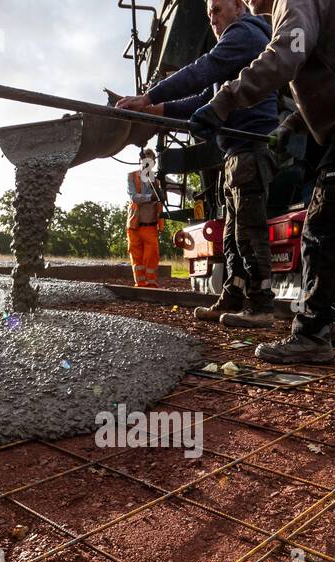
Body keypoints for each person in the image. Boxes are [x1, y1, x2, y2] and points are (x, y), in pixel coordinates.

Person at [191, 0, 335, 364]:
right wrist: (290, 125)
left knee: (322, 223)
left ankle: (312, 334)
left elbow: (286, 54)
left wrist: (223, 103)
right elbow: (334, 72)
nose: (249, 3)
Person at [118, 0, 280, 328]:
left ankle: (262, 304)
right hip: (235, 151)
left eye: (218, 10)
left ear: (238, 6)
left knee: (250, 230)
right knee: (233, 235)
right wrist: (155, 110)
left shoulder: (244, 34)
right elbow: (202, 97)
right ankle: (233, 297)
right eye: (209, 15)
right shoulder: (235, 48)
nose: (214, 20)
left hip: (250, 146)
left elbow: (200, 70)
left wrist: (148, 96)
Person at [126, 148, 163, 288]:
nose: (147, 164)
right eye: (145, 160)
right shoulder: (132, 176)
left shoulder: (157, 181)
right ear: (140, 161)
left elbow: (175, 188)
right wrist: (151, 197)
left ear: (154, 163)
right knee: (137, 258)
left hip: (151, 226)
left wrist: (191, 193)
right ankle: (140, 284)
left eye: (150, 161)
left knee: (151, 258)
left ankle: (151, 284)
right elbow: (134, 197)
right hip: (135, 226)